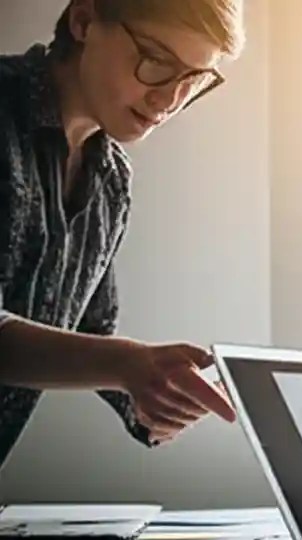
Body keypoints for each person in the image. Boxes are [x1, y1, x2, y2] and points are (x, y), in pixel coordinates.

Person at [0, 0, 243, 472]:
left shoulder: (111, 179)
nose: (169, 100)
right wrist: (128, 367)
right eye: (157, 62)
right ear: (85, 20)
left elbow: (91, 332)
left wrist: (153, 402)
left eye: (192, 79)